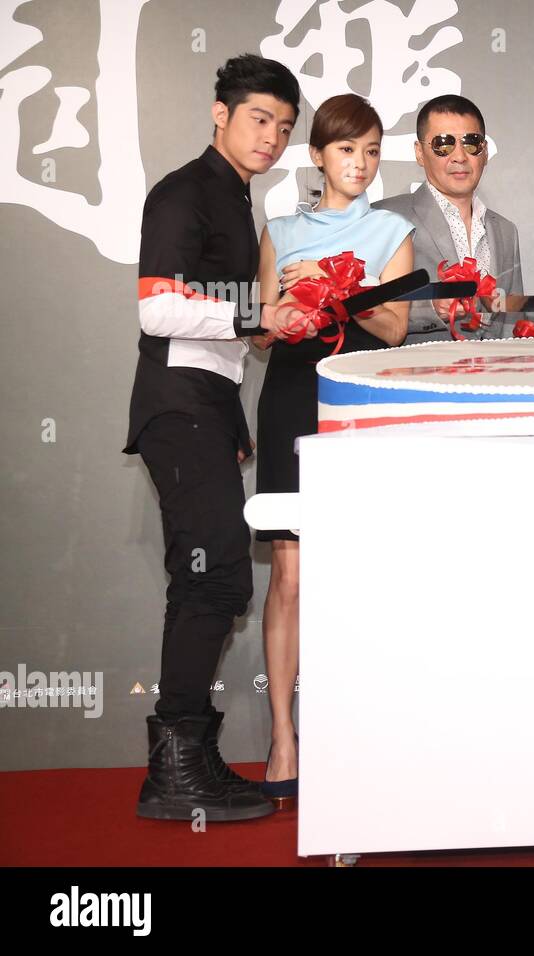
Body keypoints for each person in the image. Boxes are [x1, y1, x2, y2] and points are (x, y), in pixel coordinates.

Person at [126, 54, 302, 821]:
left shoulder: (236, 201)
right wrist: (257, 317)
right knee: (212, 580)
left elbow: (226, 335)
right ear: (220, 113)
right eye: (261, 118)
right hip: (177, 406)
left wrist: (233, 419)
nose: (272, 137)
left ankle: (186, 762)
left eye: (285, 128)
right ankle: (175, 772)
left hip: (205, 408)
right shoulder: (184, 192)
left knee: (216, 578)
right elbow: (157, 312)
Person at [254, 93, 415, 808]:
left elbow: (395, 330)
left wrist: (338, 294)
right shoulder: (280, 227)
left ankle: (359, 735)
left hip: (356, 399)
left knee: (359, 574)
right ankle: (285, 735)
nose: (361, 162)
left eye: (373, 150)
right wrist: (287, 311)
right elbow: (262, 331)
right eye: (348, 149)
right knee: (289, 576)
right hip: (291, 394)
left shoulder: (392, 229)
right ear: (318, 154)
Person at [374, 94, 525, 341]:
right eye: (443, 144)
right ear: (420, 153)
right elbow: (362, 307)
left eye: (471, 143)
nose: (459, 156)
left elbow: (512, 320)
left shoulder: (506, 231)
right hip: (417, 375)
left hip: (494, 374)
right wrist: (431, 308)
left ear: (484, 152)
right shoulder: (386, 217)